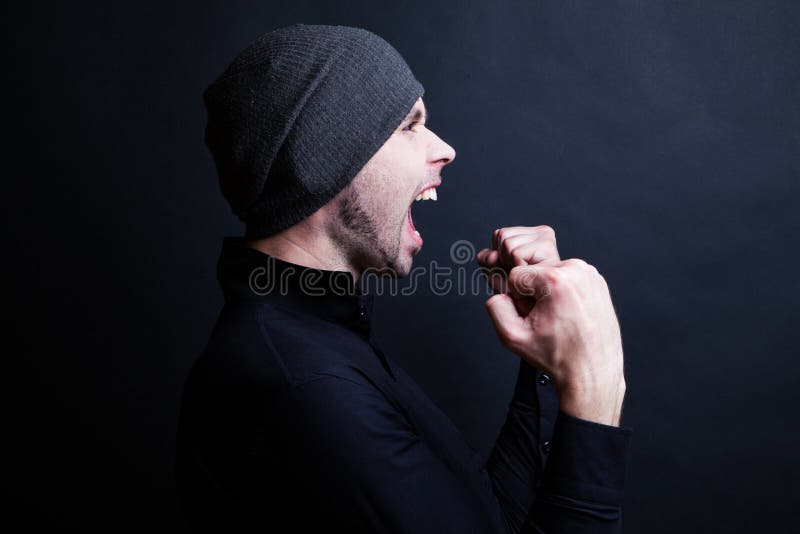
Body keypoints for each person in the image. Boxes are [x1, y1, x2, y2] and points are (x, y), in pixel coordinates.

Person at [176, 23, 632, 533]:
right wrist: (593, 395)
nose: (444, 149)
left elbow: (490, 518)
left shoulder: (318, 346)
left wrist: (545, 358)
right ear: (322, 158)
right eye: (409, 126)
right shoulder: (307, 390)